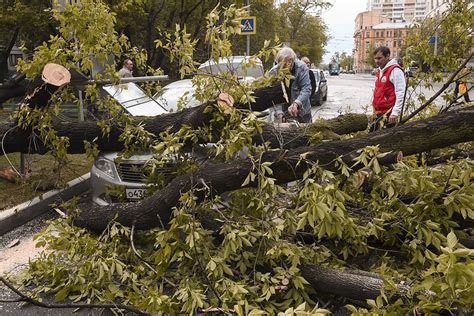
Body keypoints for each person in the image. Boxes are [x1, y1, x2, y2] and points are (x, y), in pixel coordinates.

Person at [270, 47, 312, 123]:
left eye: (289, 62)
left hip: (303, 112)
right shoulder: (273, 72)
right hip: (284, 112)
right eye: (283, 63)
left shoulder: (302, 68)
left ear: (292, 60)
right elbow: (272, 95)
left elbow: (306, 89)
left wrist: (296, 103)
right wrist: (278, 112)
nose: (286, 66)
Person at [370, 46, 406, 131]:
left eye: (379, 58)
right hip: (378, 113)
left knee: (384, 140)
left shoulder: (395, 70)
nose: (376, 61)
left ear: (387, 56)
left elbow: (400, 92)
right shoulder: (379, 71)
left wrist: (395, 112)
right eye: (375, 58)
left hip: (389, 114)